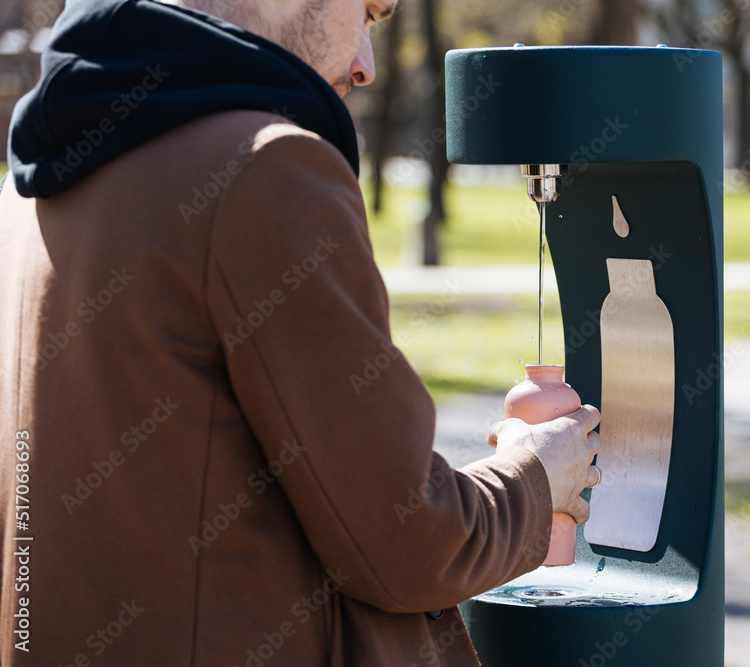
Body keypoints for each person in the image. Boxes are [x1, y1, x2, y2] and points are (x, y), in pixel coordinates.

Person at [0, 0, 602, 664]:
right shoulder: (264, 168)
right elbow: (406, 542)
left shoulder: (37, 181)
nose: (365, 66)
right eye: (369, 14)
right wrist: (539, 474)